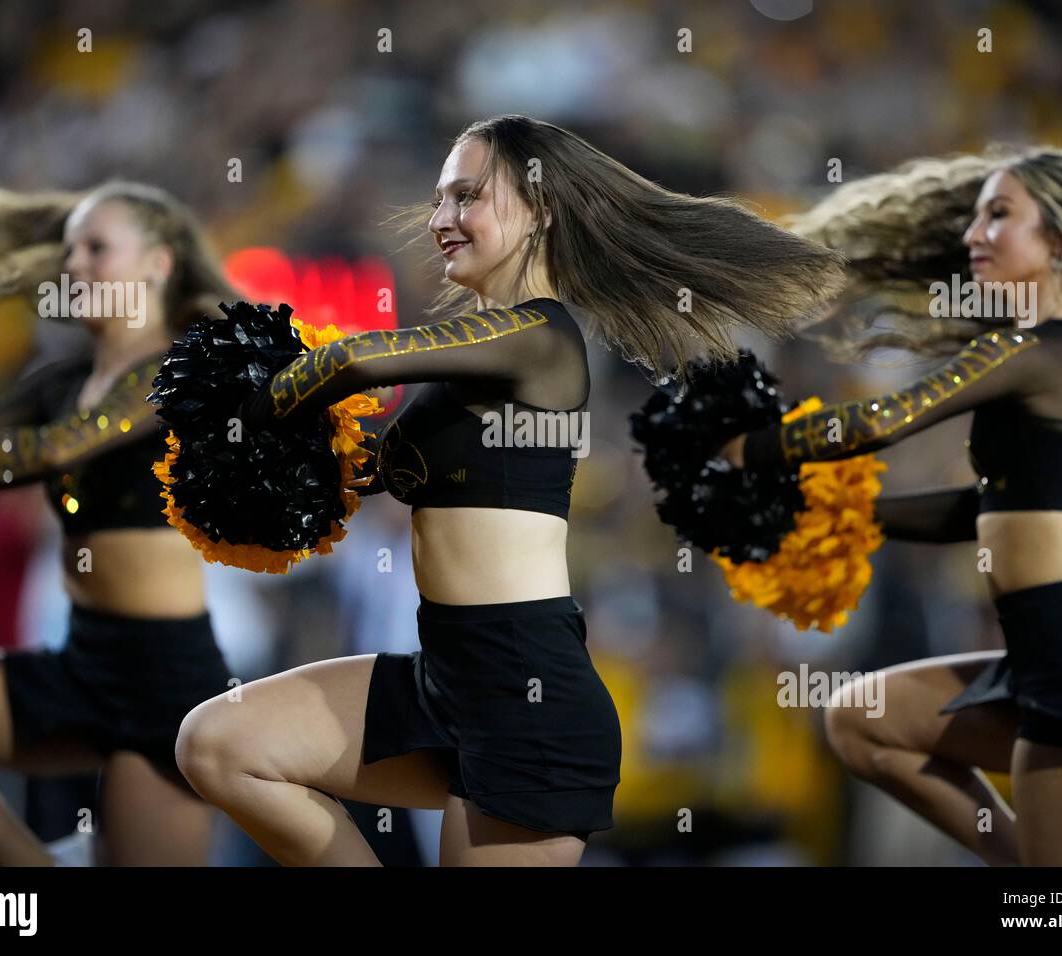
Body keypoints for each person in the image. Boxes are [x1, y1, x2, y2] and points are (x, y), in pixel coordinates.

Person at [174, 113, 847, 866]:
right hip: (443, 676)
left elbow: (353, 360)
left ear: (541, 209)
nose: (440, 220)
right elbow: (355, 473)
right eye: (438, 200)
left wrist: (243, 405)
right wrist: (261, 474)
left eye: (466, 197)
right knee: (220, 742)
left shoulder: (542, 338)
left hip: (528, 695)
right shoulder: (472, 367)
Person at [719, 141, 1062, 866]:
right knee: (861, 721)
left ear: (1061, 238)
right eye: (973, 217)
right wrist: (851, 518)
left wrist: (756, 449)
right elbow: (986, 509)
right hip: (1046, 658)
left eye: (999, 215)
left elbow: (879, 421)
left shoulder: (1047, 351)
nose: (973, 234)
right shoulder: (1059, 361)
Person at [0, 178, 238, 865]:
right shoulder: (55, 383)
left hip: (165, 680)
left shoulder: (189, 365)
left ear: (158, 264)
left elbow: (60, 446)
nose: (73, 265)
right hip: (79, 660)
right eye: (71, 249)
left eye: (96, 248)